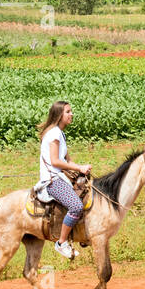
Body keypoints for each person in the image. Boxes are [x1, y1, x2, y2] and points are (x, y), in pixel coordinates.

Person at [37, 101, 92, 260]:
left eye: (71, 111)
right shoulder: (54, 134)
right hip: (52, 180)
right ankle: (61, 243)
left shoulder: (60, 133)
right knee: (76, 206)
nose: (71, 114)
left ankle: (81, 235)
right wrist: (78, 168)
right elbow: (55, 161)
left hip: (61, 176)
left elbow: (67, 161)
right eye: (68, 112)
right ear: (59, 115)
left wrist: (81, 167)